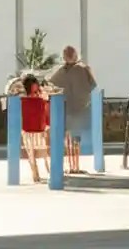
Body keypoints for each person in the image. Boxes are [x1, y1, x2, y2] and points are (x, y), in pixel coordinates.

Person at [48, 46, 97, 175]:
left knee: (68, 138)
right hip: (79, 108)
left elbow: (50, 84)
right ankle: (75, 165)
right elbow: (93, 85)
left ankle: (71, 166)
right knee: (76, 138)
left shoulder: (60, 71)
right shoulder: (83, 69)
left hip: (65, 108)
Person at [19, 75, 50, 183]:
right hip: (31, 128)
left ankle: (40, 173)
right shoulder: (36, 98)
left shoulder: (25, 99)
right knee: (32, 152)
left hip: (35, 128)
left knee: (37, 152)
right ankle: (36, 174)